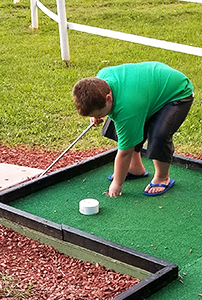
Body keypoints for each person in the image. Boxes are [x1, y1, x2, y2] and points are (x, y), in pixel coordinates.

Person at [72, 62, 194, 198]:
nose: (97, 118)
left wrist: (117, 184)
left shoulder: (128, 107)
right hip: (147, 92)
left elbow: (124, 153)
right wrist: (96, 114)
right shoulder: (102, 79)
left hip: (176, 92)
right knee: (120, 124)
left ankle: (162, 177)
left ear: (108, 98)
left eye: (99, 114)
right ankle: (135, 168)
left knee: (158, 135)